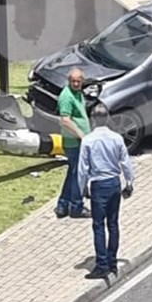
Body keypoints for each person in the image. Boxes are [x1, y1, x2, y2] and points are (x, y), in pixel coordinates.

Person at [77, 103, 135, 280]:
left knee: (98, 225)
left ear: (93, 119)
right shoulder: (116, 138)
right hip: (114, 183)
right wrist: (129, 183)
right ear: (108, 117)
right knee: (113, 223)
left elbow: (82, 168)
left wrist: (82, 189)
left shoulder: (88, 140)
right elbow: (125, 162)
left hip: (98, 185)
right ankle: (112, 261)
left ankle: (101, 264)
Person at [56, 68, 92, 219]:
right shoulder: (66, 96)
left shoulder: (78, 93)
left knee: (73, 173)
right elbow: (65, 120)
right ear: (69, 81)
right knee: (79, 175)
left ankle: (62, 206)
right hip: (74, 142)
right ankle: (76, 207)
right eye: (73, 81)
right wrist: (81, 135)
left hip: (78, 141)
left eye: (78, 81)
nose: (76, 84)